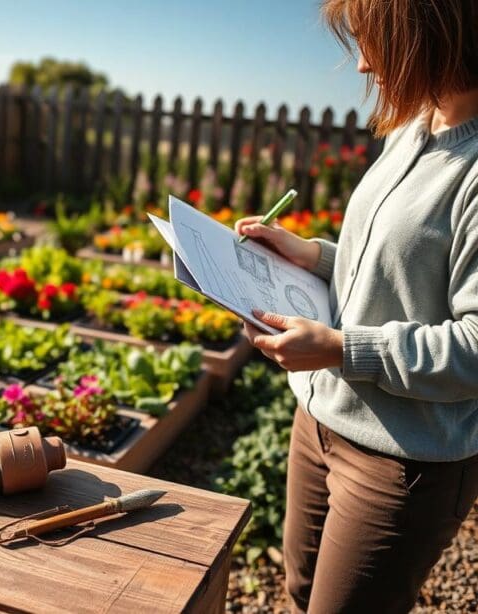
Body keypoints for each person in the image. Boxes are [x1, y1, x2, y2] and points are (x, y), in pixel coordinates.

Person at [234, 0, 478, 611]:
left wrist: (343, 348)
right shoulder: (414, 129)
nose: (365, 64)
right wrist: (309, 255)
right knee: (297, 591)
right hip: (318, 421)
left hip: (400, 458)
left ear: (431, 33)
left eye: (375, 41)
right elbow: (394, 266)